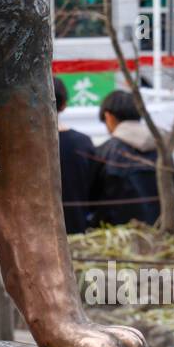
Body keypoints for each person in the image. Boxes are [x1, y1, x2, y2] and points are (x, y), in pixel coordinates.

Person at [91, 90, 161, 227]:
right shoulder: (161, 150)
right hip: (158, 232)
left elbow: (94, 199)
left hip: (116, 236)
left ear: (108, 116)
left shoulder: (105, 152)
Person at [53, 77, 98, 235]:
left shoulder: (20, 146)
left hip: (31, 241)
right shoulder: (83, 143)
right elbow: (95, 192)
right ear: (64, 104)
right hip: (77, 234)